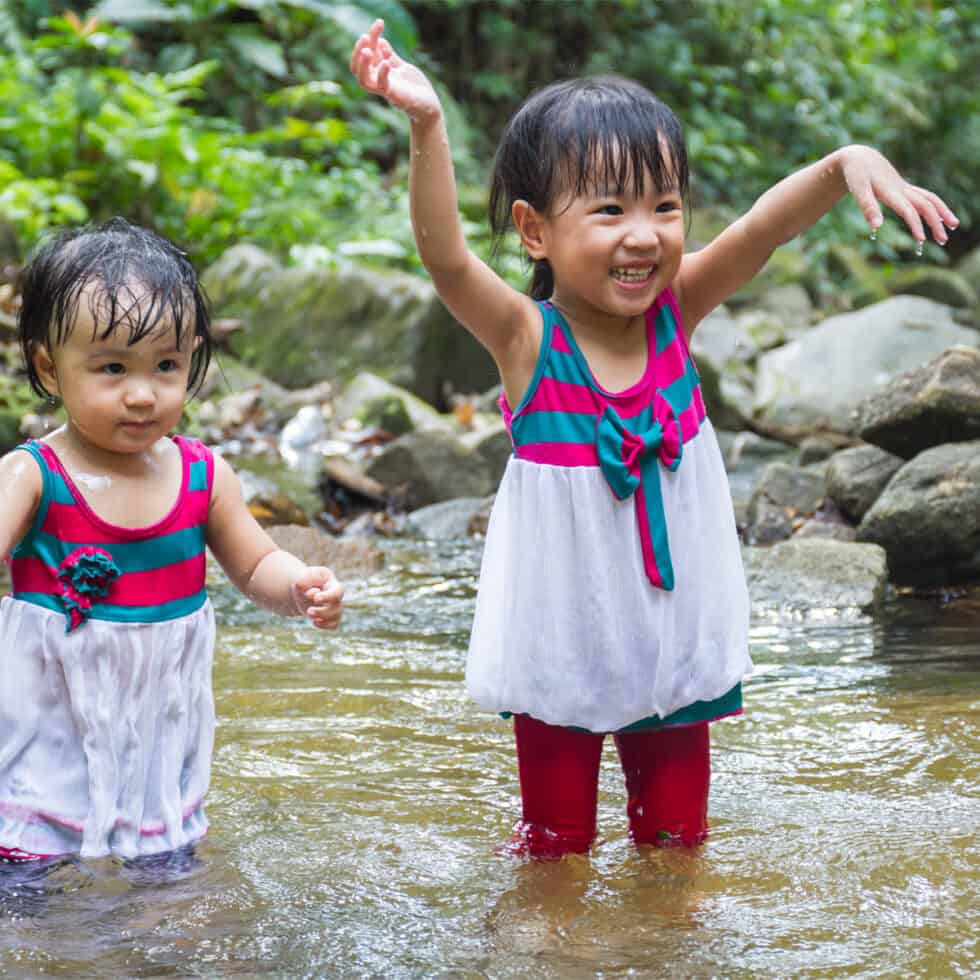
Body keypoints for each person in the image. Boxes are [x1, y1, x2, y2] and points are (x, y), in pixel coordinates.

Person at [350, 21, 958, 858]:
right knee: (553, 851)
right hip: (563, 644)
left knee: (678, 847)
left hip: (670, 643)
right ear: (535, 232)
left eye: (664, 205)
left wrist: (842, 162)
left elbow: (760, 230)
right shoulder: (528, 340)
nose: (645, 234)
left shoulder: (679, 312)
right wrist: (426, 126)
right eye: (609, 210)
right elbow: (448, 259)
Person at [0, 218, 345, 863]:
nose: (142, 394)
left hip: (158, 721)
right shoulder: (33, 476)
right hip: (49, 719)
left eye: (166, 365)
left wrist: (297, 586)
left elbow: (255, 563)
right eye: (111, 368)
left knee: (164, 868)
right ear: (50, 366)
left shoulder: (203, 475)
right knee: (32, 867)